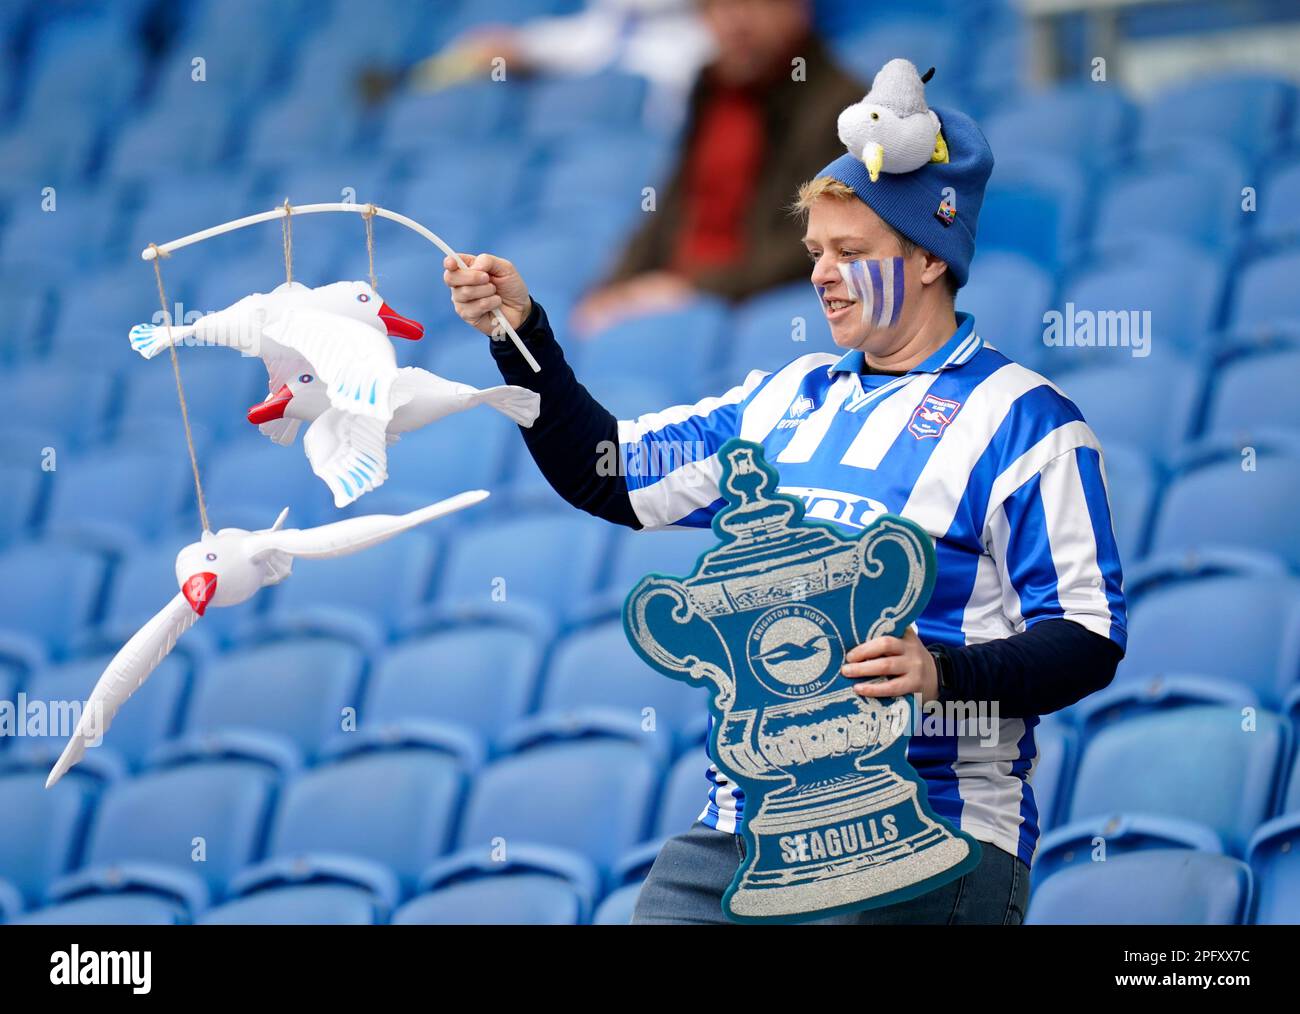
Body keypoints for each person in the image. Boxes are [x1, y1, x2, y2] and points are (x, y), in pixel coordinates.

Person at [440, 76, 1126, 925]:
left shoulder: (1029, 424)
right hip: (744, 831)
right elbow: (605, 472)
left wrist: (942, 674)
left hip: (930, 831)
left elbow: (1088, 641)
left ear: (928, 257)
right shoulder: (783, 398)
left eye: (852, 253)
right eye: (815, 254)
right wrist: (520, 336)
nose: (824, 277)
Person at [572, 0, 865, 333]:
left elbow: (814, 244)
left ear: (797, 8)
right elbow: (673, 202)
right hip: (678, 295)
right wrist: (615, 287)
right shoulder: (710, 84)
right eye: (718, 6)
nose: (735, 21)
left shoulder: (844, 108)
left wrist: (693, 288)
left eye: (754, 5)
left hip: (749, 303)